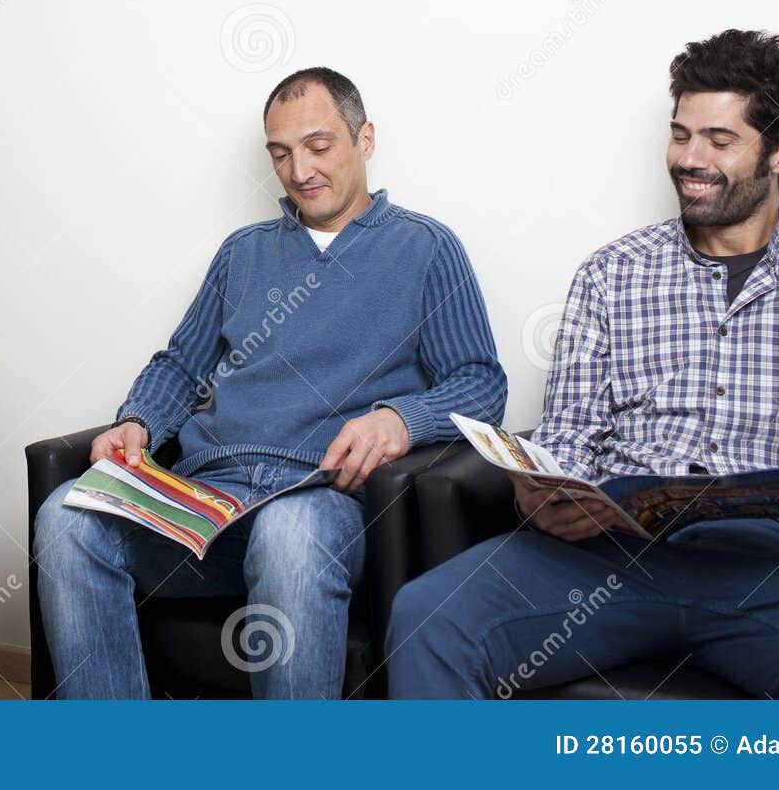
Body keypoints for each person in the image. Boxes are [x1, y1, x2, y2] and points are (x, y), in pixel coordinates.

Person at [386, 29, 779, 698]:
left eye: (719, 140)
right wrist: (541, 489)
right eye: (680, 134)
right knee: (426, 616)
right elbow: (570, 435)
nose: (690, 158)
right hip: (613, 556)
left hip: (777, 564)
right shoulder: (612, 273)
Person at [34, 67, 506, 698]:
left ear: (365, 139)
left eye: (318, 147)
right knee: (64, 520)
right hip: (210, 500)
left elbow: (480, 383)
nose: (300, 171)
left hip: (321, 498)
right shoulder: (243, 252)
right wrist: (136, 422)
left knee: (289, 535)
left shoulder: (425, 247)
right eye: (281, 154)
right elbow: (180, 365)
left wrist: (399, 420)